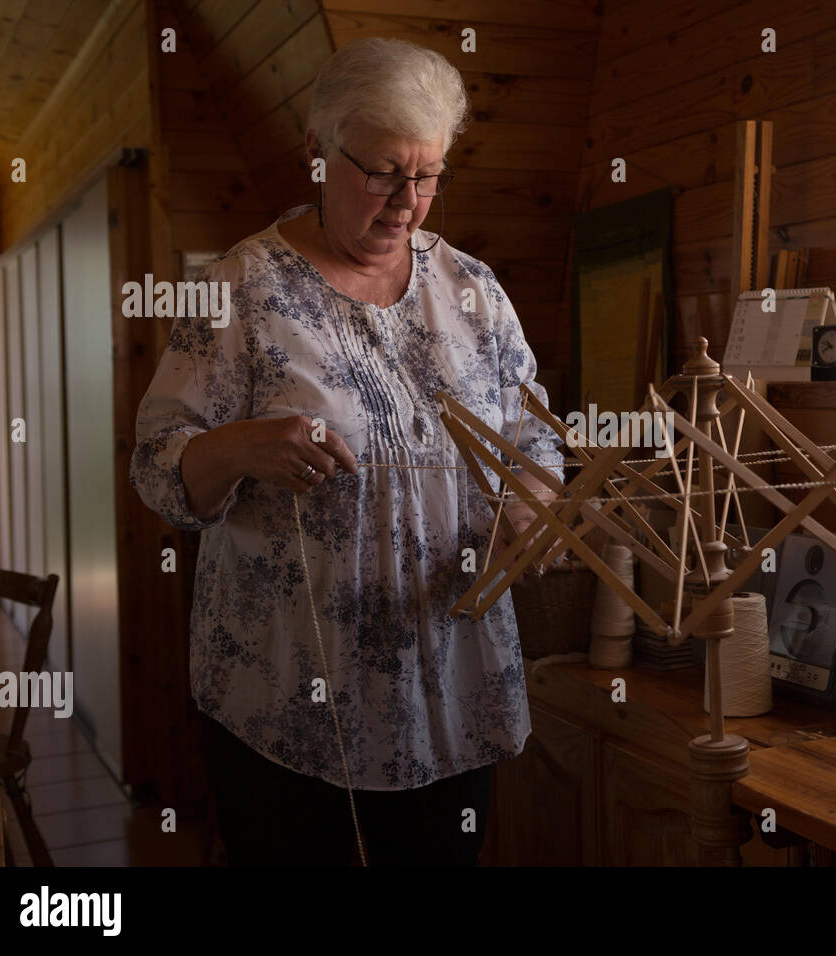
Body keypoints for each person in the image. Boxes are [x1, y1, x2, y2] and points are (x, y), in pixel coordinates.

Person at [130, 36, 563, 866]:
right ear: (316, 152)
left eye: (428, 174)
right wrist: (239, 446)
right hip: (289, 698)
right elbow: (158, 465)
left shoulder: (474, 290)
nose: (407, 200)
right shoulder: (240, 290)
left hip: (450, 687)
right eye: (382, 172)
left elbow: (533, 430)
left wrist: (529, 502)